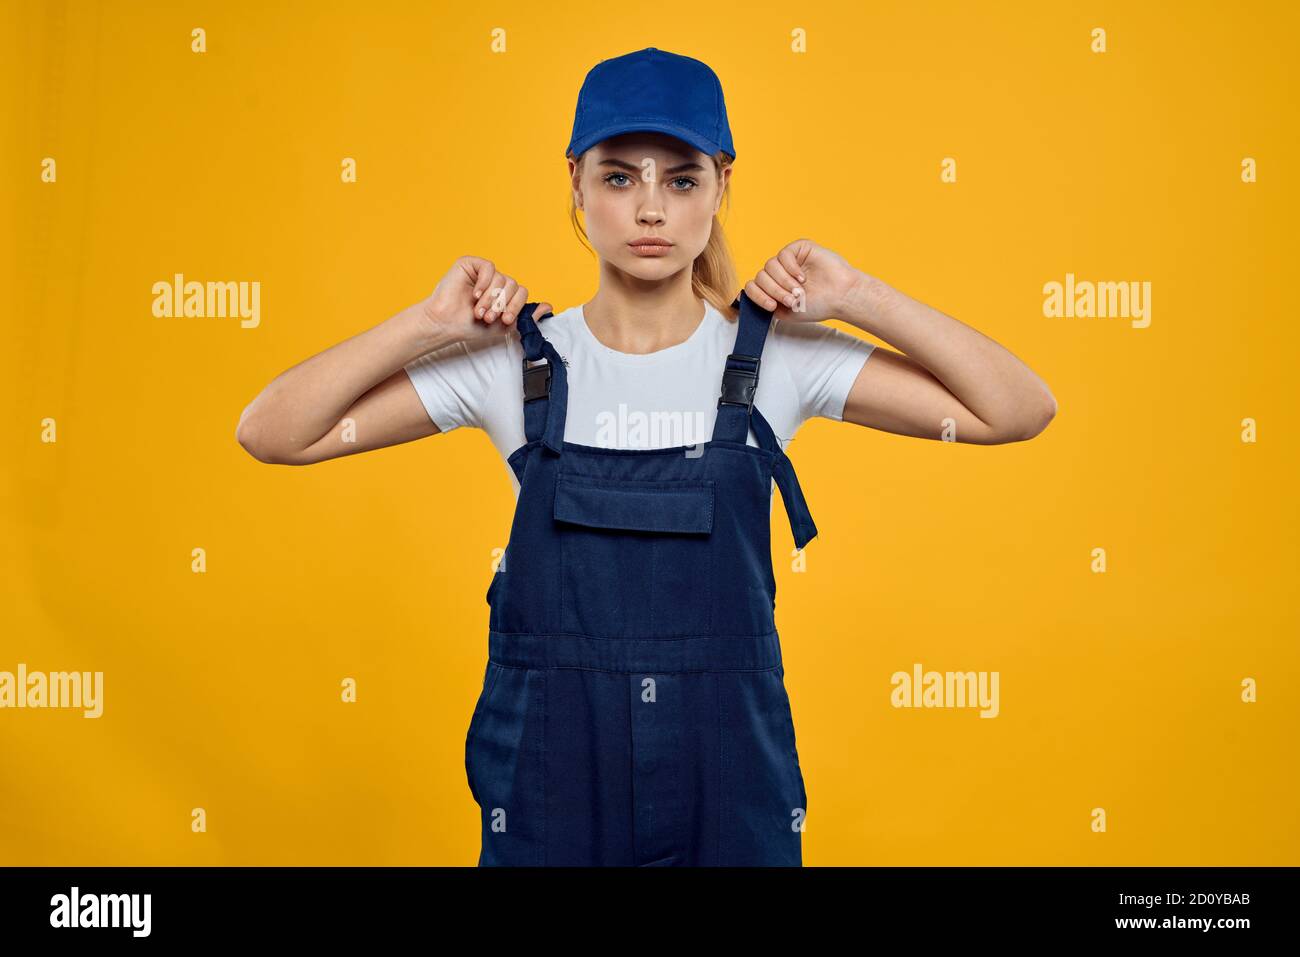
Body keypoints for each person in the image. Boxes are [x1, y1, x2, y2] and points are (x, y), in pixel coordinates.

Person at [236, 47, 1056, 866]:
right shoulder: (513, 364)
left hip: (728, 798)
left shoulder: (775, 358)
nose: (651, 209)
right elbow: (273, 431)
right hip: (552, 798)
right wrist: (426, 324)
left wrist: (858, 295)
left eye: (682, 179)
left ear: (722, 186)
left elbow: (1016, 409)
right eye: (621, 177)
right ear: (576, 186)